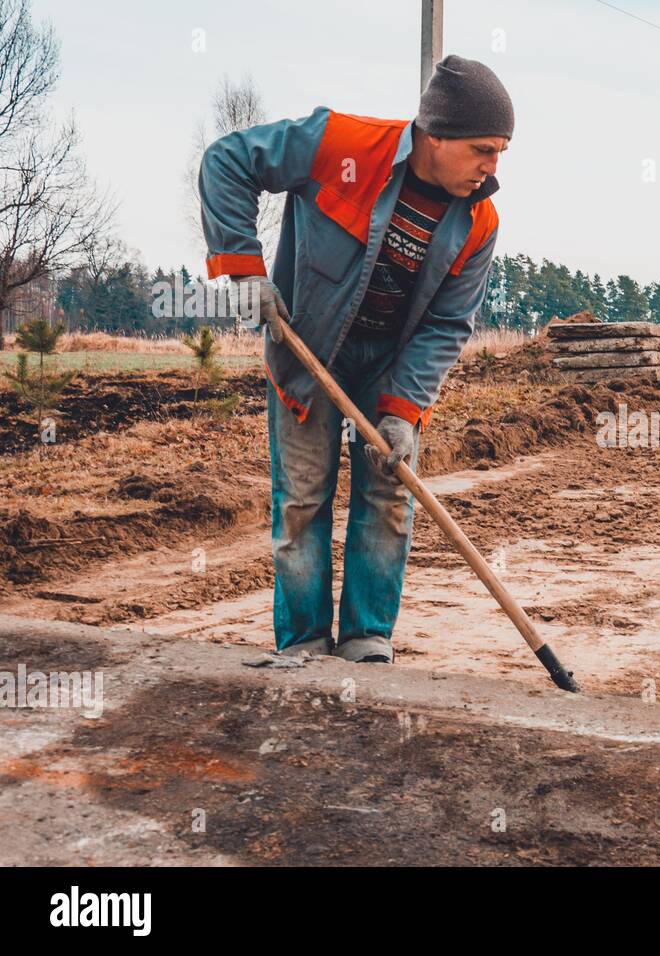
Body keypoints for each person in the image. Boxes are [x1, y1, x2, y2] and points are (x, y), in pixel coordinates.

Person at [198, 55, 512, 663]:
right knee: (301, 501)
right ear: (435, 133)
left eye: (500, 151)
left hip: (392, 368)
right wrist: (241, 269)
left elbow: (449, 322)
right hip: (308, 353)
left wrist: (401, 409)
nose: (492, 167)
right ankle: (305, 644)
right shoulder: (341, 146)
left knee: (389, 497)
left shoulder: (479, 221)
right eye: (482, 149)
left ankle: (368, 640)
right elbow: (226, 161)